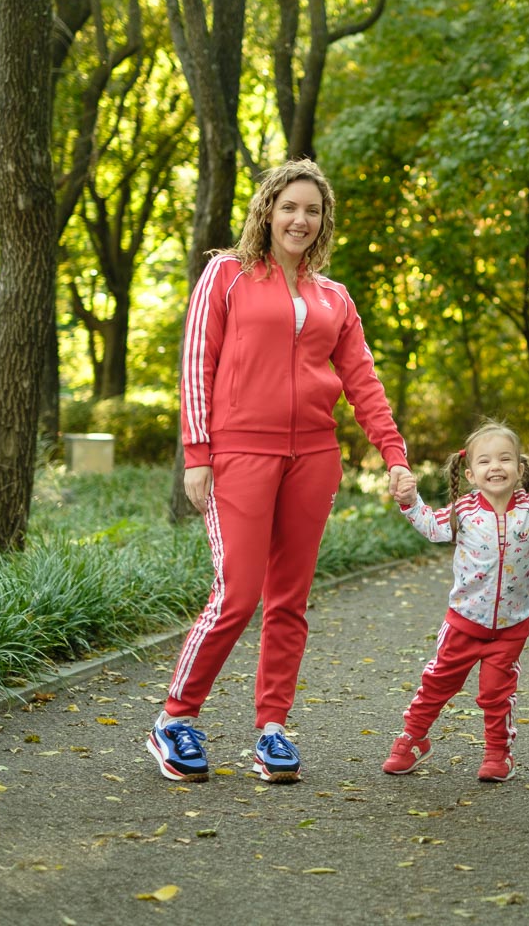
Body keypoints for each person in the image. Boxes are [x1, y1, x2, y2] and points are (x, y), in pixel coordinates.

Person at [147, 159, 410, 785]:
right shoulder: (226, 274)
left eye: (312, 210)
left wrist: (394, 455)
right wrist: (198, 453)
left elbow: (362, 382)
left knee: (289, 601)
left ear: (324, 222)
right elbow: (196, 364)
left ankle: (272, 729)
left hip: (314, 458)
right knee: (237, 594)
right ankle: (174, 719)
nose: (300, 219)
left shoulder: (333, 296)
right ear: (267, 210)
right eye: (290, 206)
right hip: (240, 454)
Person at [383, 421, 529, 783]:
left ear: (519, 469)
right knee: (437, 683)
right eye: (485, 461)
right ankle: (413, 739)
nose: (495, 467)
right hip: (463, 624)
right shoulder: (464, 512)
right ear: (471, 473)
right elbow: (430, 525)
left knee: (496, 694)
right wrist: (410, 501)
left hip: (510, 628)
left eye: (505, 459)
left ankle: (497, 754)